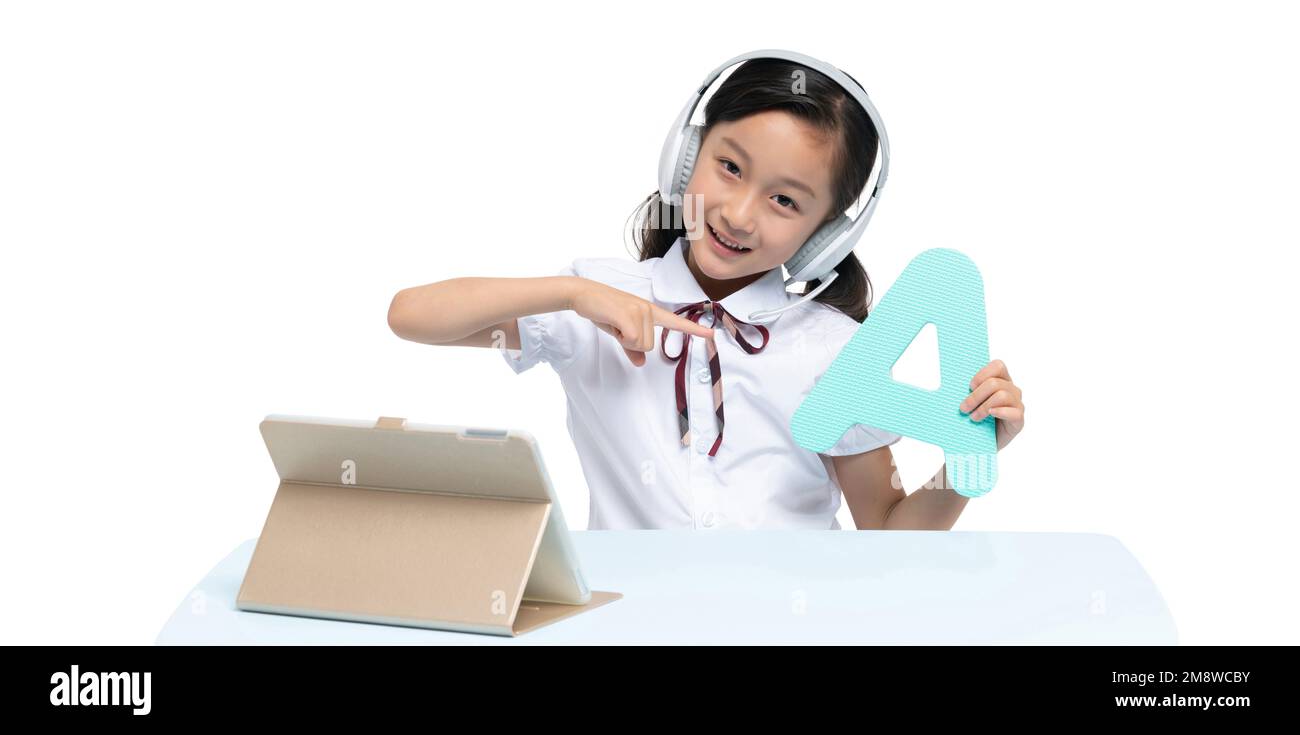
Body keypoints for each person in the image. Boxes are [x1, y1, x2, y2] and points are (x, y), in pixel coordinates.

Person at [388, 55, 1025, 530]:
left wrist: (969, 462)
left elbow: (887, 531)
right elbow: (412, 316)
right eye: (729, 167)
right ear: (684, 155)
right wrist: (573, 293)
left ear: (826, 233)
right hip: (632, 619)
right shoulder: (597, 301)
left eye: (784, 200)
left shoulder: (834, 350)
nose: (741, 214)